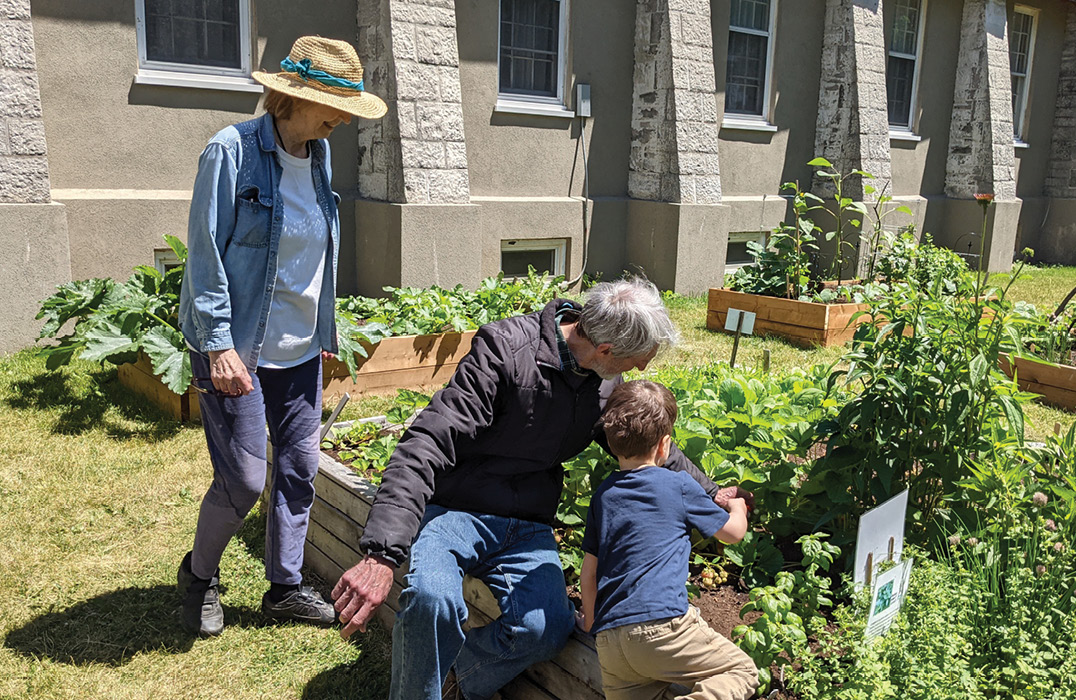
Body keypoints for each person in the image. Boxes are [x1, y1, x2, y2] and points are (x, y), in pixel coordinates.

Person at [332, 279, 753, 700]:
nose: (640, 371)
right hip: (456, 509)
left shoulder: (601, 380)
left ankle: (455, 678)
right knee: (431, 599)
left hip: (527, 520)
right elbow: (427, 442)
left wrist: (710, 491)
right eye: (637, 360)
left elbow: (645, 443)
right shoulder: (505, 351)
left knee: (547, 628)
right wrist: (381, 555)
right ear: (605, 350)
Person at [176, 36, 386, 637]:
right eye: (336, 105)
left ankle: (285, 589)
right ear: (295, 97)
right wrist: (217, 345)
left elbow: (312, 254)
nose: (343, 118)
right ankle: (198, 575)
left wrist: (323, 330)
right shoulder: (231, 152)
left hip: (298, 351)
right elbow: (204, 257)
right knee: (243, 479)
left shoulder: (318, 156)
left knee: (299, 469)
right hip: (237, 347)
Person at [578, 380, 759, 700]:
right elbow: (732, 534)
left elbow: (588, 573)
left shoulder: (603, 496)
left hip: (610, 645)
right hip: (662, 627)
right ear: (665, 446)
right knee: (740, 671)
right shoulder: (677, 484)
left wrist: (593, 625)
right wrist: (738, 507)